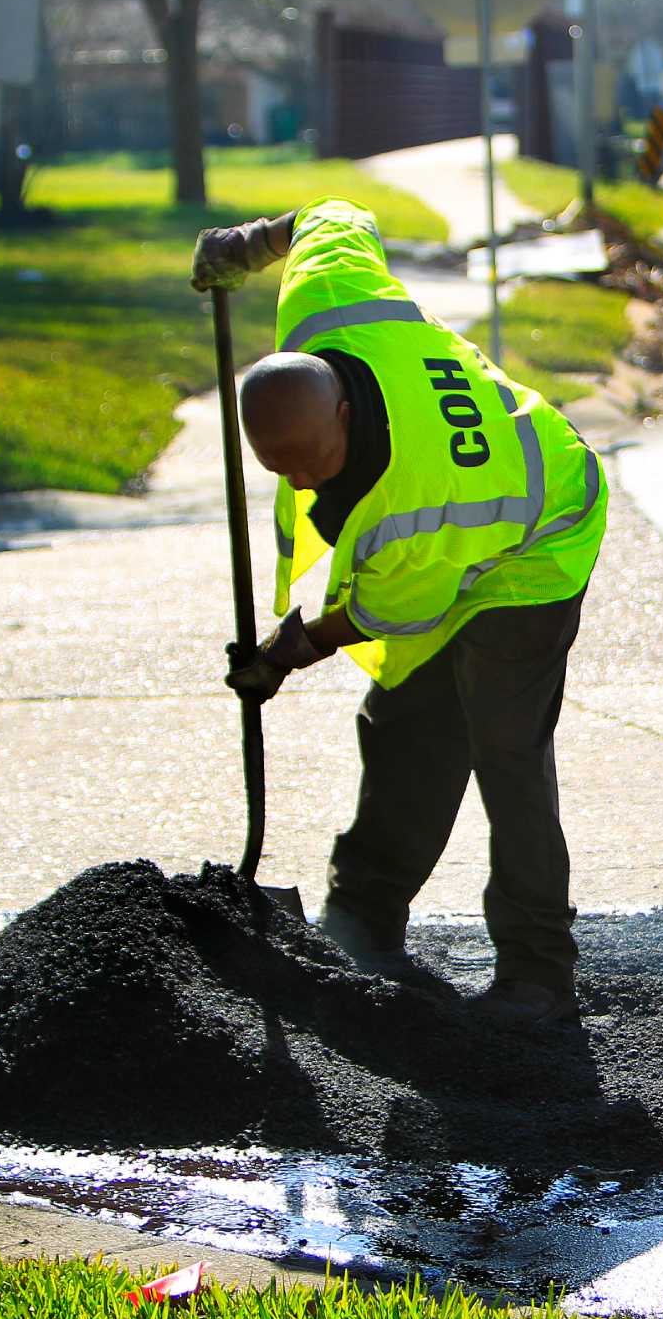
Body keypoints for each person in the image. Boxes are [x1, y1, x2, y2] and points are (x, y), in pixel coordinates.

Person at [190, 197, 608, 1028]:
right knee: (406, 719)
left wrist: (283, 653)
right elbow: (335, 216)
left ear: (341, 412)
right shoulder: (328, 303)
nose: (303, 484)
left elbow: (376, 612)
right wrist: (249, 244)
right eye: (283, 470)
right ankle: (363, 922)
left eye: (309, 463)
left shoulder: (404, 511)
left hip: (540, 529)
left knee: (502, 743)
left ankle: (537, 974)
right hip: (471, 519)